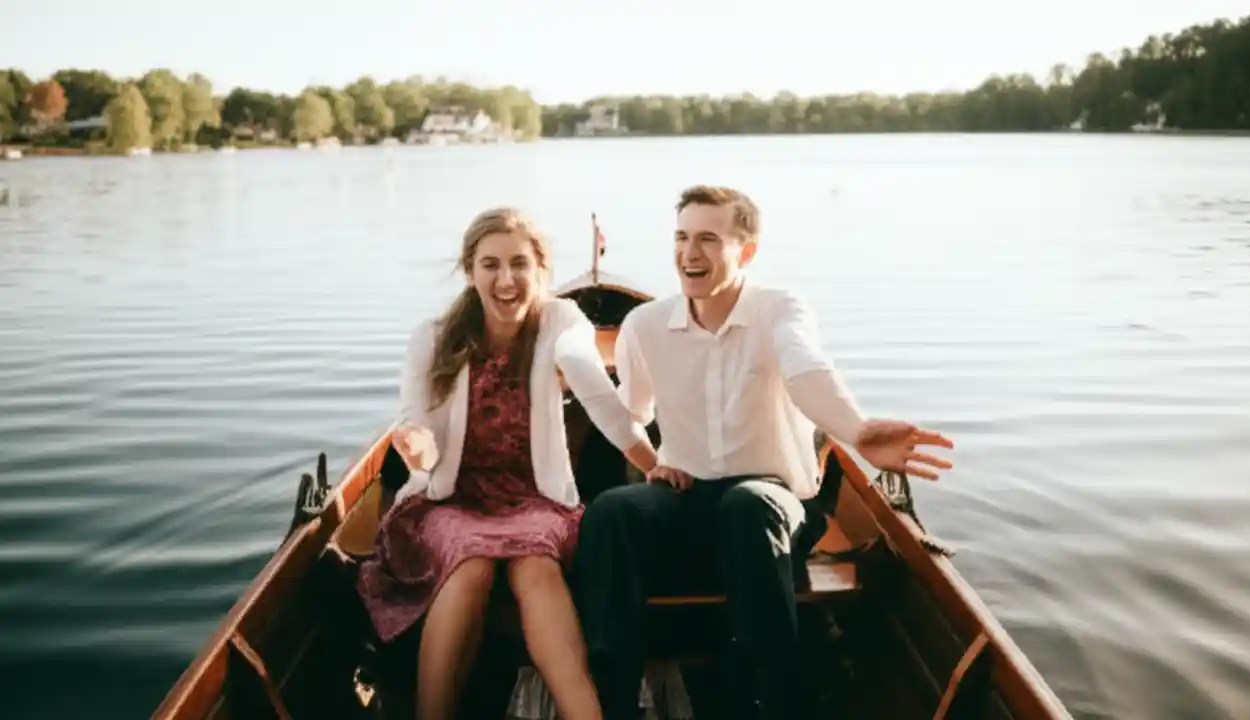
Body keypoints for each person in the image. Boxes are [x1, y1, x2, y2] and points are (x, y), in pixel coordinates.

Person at [574, 185, 955, 719]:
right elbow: (631, 413)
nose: (689, 253)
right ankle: (611, 701)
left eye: (709, 239)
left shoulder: (780, 309)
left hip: (773, 506)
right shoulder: (644, 326)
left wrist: (858, 429)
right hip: (689, 499)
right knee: (613, 511)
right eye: (682, 238)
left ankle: (772, 704)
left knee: (748, 506)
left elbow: (806, 372)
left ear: (745, 251)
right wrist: (651, 462)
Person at [357, 207, 659, 720]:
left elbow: (601, 400)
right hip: (451, 502)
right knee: (470, 566)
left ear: (541, 271)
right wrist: (419, 450)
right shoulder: (431, 338)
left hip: (535, 500)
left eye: (519, 264)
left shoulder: (562, 321)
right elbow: (417, 425)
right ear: (470, 271)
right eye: (491, 265)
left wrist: (654, 467)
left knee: (537, 567)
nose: (506, 280)